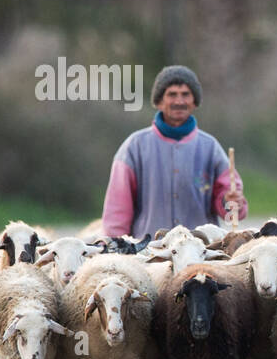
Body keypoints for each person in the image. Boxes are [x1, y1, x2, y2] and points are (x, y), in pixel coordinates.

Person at [101, 65, 247, 238]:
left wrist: (231, 204)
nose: (179, 101)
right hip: (149, 254)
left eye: (186, 94)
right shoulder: (134, 147)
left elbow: (232, 212)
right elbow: (117, 210)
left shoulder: (211, 148)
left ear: (194, 101)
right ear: (159, 101)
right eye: (172, 94)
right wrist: (115, 247)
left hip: (201, 253)